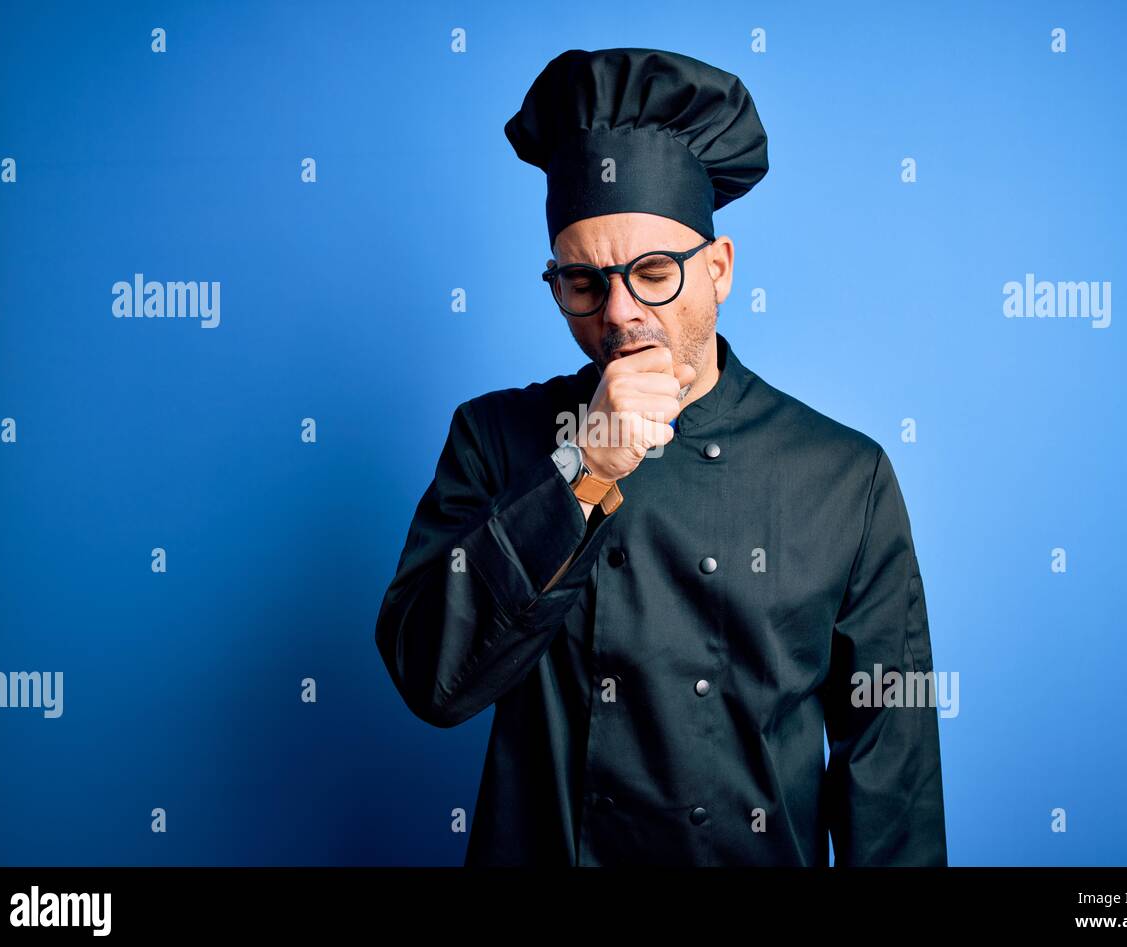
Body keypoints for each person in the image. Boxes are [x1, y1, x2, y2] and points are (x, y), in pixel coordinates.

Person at [374, 47, 948, 866]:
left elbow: (895, 763)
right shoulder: (495, 438)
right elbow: (432, 679)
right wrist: (580, 473)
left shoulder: (844, 476)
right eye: (583, 283)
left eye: (652, 273)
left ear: (718, 270)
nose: (618, 315)